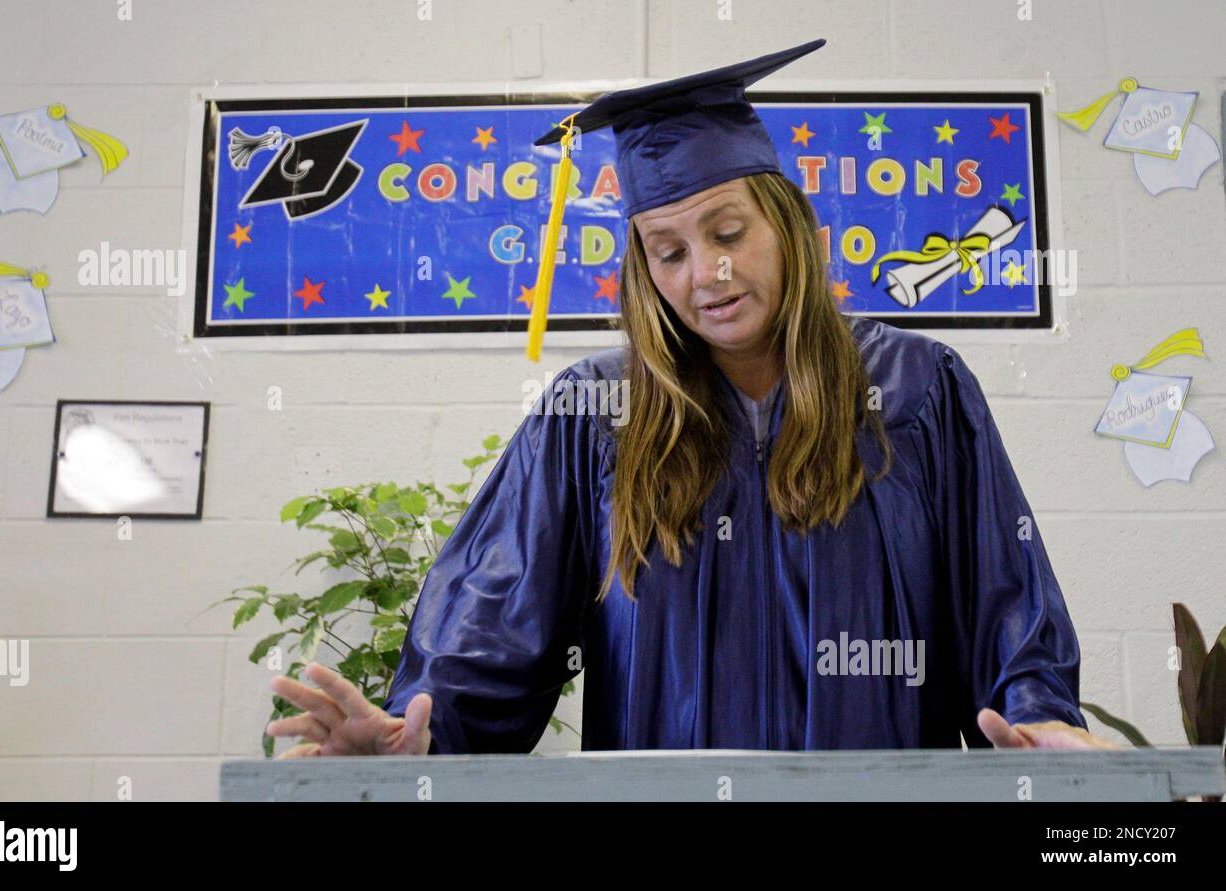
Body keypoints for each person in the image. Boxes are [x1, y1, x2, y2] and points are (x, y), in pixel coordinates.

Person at [267, 41, 1117, 757]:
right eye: (665, 250)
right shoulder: (592, 415)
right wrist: (422, 730)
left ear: (784, 222)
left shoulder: (917, 389)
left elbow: (1008, 606)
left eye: (727, 232)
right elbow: (491, 632)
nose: (704, 274)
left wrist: (1041, 719)